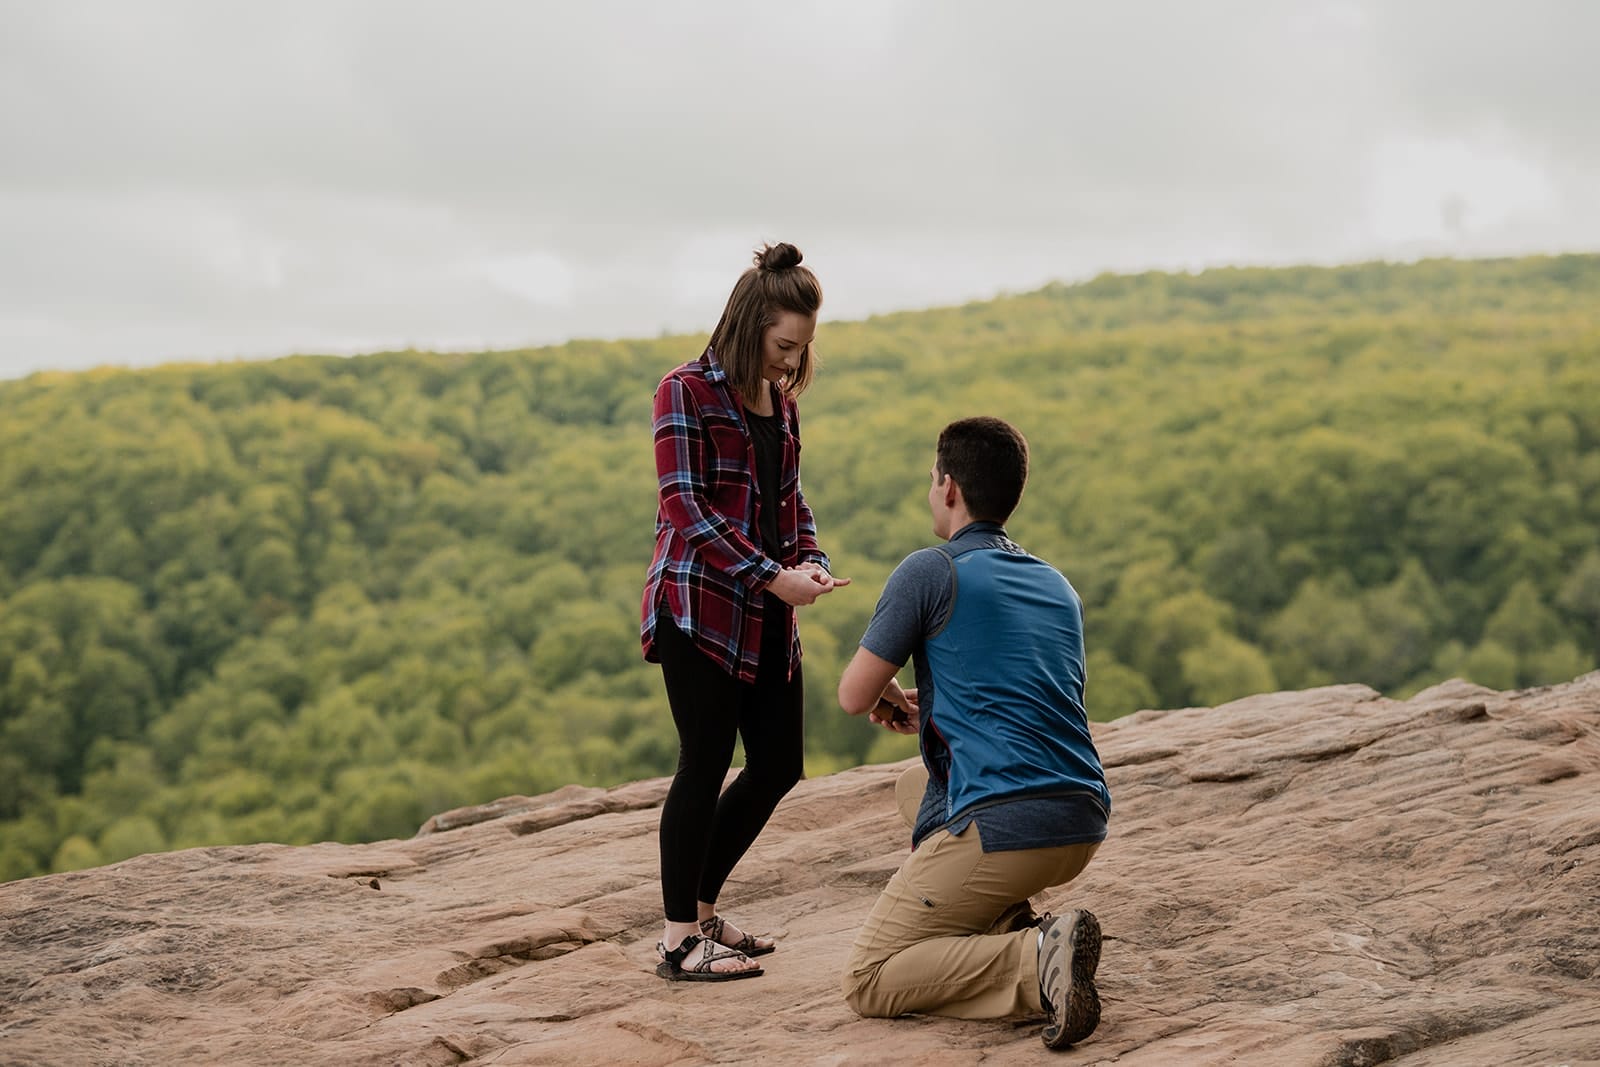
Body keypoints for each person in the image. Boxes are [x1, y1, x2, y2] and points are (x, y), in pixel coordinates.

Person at [836, 416, 1111, 1048]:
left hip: (1010, 822)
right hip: (1081, 816)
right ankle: (1011, 923)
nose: (931, 488)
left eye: (933, 478)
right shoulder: (1055, 584)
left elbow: (852, 694)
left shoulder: (929, 571)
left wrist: (883, 690)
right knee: (916, 785)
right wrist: (922, 706)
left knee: (868, 978)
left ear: (949, 486)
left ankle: (1035, 959)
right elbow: (1023, 696)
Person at [641, 242, 850, 982]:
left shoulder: (779, 403)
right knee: (703, 764)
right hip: (699, 607)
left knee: (777, 765)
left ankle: (701, 912)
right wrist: (772, 575)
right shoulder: (684, 391)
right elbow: (685, 507)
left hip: (765, 607)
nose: (793, 362)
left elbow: (790, 499)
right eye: (783, 345)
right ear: (749, 322)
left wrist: (812, 560)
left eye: (802, 348)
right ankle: (675, 942)